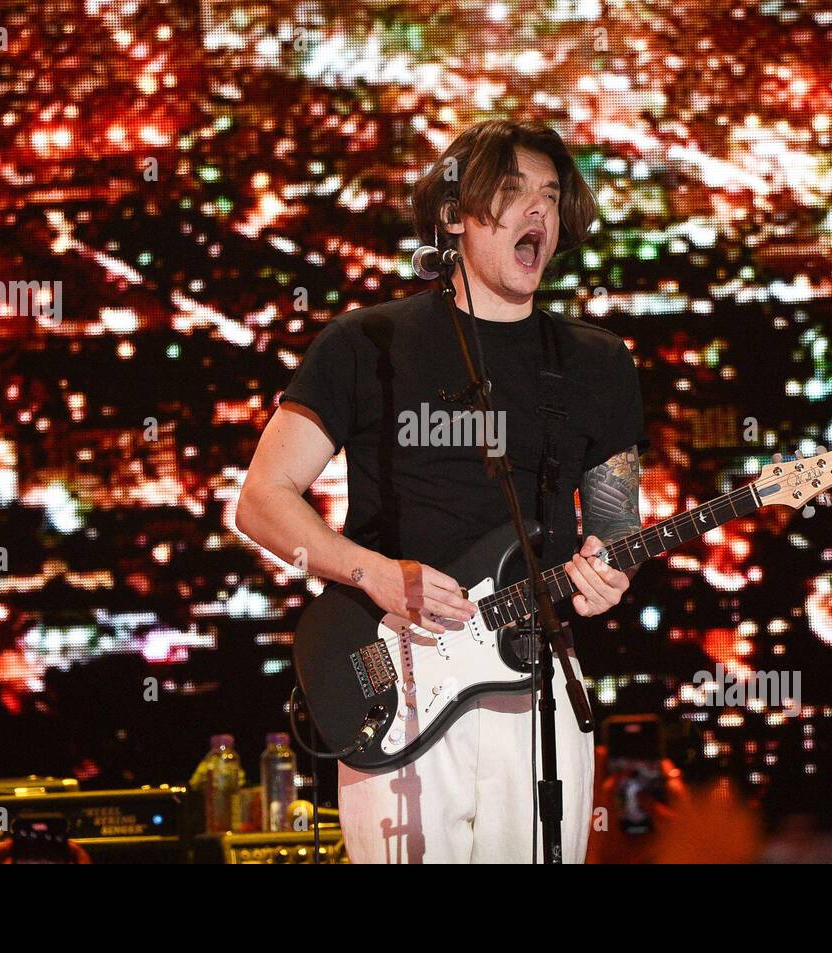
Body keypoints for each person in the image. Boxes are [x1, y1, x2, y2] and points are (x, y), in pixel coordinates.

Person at [236, 118, 648, 863]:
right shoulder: (368, 345)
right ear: (453, 216)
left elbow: (618, 523)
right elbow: (263, 499)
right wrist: (374, 573)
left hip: (539, 689)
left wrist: (610, 572)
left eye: (551, 197)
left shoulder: (597, 361)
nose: (538, 215)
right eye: (512, 192)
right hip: (398, 678)